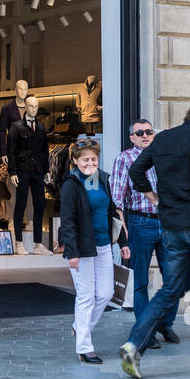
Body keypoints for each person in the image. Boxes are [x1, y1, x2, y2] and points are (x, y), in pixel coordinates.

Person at [119, 96, 190, 379]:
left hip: (169, 226)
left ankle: (135, 345)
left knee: (169, 289)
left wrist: (153, 197)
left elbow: (136, 171)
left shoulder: (164, 138)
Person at [110, 118, 179, 348]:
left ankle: (165, 324)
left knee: (174, 277)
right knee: (140, 281)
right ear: (132, 138)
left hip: (167, 223)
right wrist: (122, 229)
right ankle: (146, 331)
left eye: (148, 132)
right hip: (141, 223)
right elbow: (117, 196)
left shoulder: (163, 156)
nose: (145, 136)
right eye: (139, 133)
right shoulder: (125, 159)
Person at [60, 137, 130, 363]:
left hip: (103, 245)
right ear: (75, 161)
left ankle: (80, 327)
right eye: (85, 159)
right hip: (82, 248)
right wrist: (72, 252)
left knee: (106, 293)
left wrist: (123, 242)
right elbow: (68, 220)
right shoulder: (71, 184)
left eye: (93, 159)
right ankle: (84, 347)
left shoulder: (103, 179)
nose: (89, 163)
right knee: (86, 296)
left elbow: (112, 212)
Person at [8, 95, 53, 256]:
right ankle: (19, 242)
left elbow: (45, 150)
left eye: (36, 106)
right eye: (31, 106)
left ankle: (38, 244)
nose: (34, 109)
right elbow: (11, 150)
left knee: (40, 204)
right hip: (22, 169)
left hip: (38, 171)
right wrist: (12, 171)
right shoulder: (16, 127)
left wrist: (47, 170)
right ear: (25, 107)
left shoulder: (40, 127)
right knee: (21, 204)